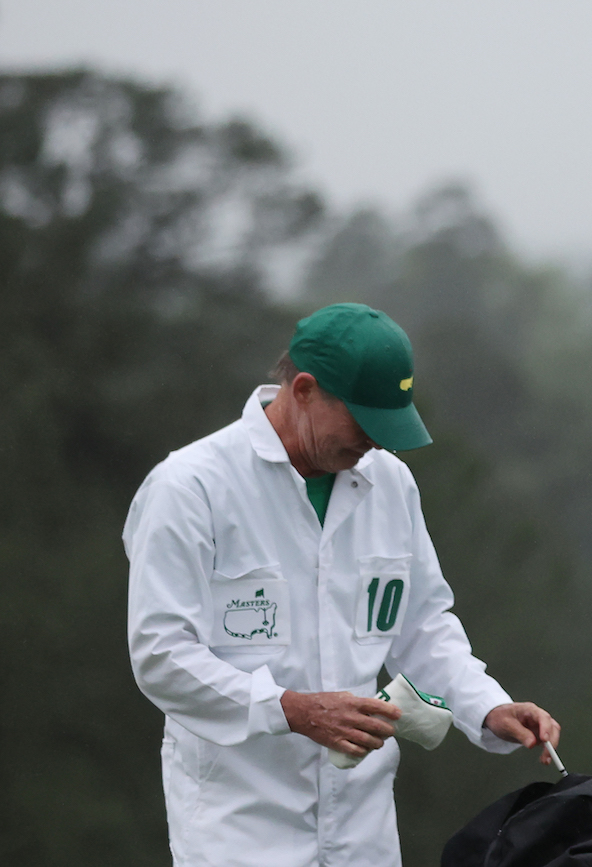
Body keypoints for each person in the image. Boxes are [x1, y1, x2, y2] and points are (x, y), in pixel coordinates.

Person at [126, 303, 560, 867]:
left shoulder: (390, 483)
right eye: (364, 423)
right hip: (237, 832)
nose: (378, 444)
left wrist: (488, 707)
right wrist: (292, 709)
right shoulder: (190, 488)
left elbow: (423, 627)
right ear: (303, 390)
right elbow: (161, 655)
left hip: (363, 831)